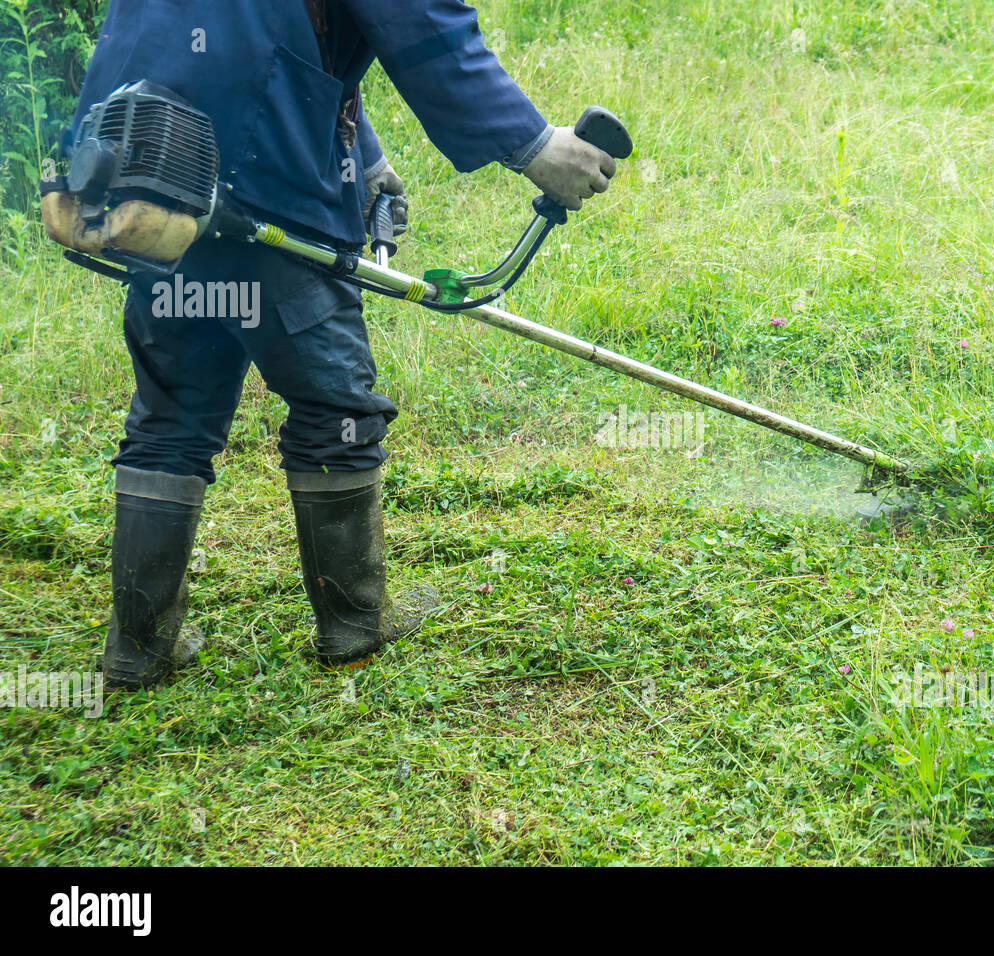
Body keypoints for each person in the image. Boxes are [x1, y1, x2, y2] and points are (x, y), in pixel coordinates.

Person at [72, 0, 618, 688]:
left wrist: (360, 150)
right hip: (265, 183)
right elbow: (422, 22)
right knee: (336, 408)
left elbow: (257, 32)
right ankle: (355, 625)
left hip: (161, 181)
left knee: (171, 413)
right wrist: (536, 144)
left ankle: (138, 648)